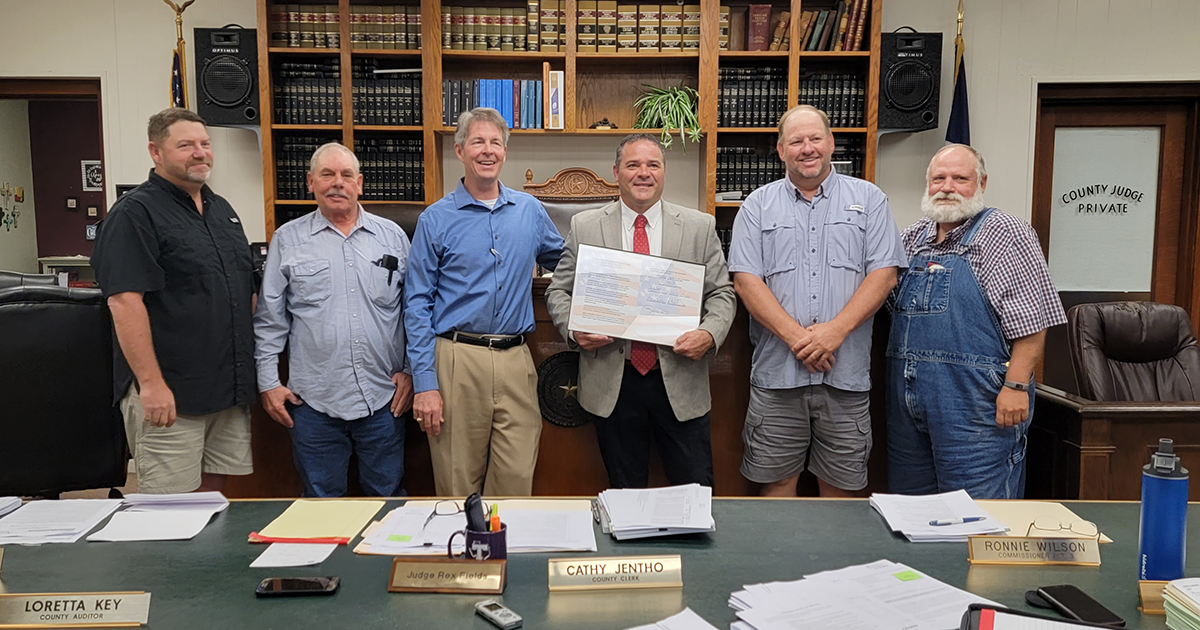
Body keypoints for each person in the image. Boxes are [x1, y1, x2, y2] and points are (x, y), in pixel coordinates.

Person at [728, 105, 905, 497]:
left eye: (815, 138)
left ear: (831, 143)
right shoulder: (757, 206)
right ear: (781, 150)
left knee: (840, 493)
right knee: (776, 486)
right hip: (778, 378)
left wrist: (834, 333)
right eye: (796, 141)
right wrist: (800, 340)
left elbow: (885, 275)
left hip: (845, 377)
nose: (806, 148)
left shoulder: (870, 200)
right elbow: (745, 281)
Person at [545, 133, 736, 489]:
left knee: (694, 489)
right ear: (616, 172)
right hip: (614, 380)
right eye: (633, 165)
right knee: (625, 493)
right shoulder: (585, 225)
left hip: (679, 377)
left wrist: (709, 334)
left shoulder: (698, 227)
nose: (643, 173)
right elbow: (558, 291)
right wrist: (574, 329)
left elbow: (723, 294)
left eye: (653, 165)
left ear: (664, 172)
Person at [886, 144, 1066, 499]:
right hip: (906, 403)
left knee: (980, 517)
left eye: (960, 178)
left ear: (981, 183)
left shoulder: (1003, 233)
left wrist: (1015, 387)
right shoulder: (911, 238)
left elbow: (1032, 323)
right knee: (911, 513)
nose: (947, 186)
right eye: (939, 178)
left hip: (974, 405)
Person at [91, 107, 255, 494]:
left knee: (214, 503)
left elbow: (241, 289)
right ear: (156, 152)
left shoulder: (222, 211)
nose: (200, 153)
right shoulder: (135, 214)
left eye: (204, 144)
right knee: (168, 514)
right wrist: (151, 385)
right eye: (185, 145)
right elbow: (124, 302)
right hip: (171, 394)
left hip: (225, 392)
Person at [404, 107, 563, 497]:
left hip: (516, 359)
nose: (487, 150)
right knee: (458, 486)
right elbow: (417, 303)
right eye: (478, 141)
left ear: (505, 152)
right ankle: (464, 558)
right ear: (460, 150)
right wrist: (425, 383)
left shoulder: (529, 211)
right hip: (457, 360)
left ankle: (505, 557)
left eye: (495, 142)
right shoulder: (435, 219)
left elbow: (568, 264)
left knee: (515, 482)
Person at [253, 143, 412, 497]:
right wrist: (267, 382)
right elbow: (269, 319)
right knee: (321, 506)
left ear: (360, 183)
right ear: (311, 182)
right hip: (313, 403)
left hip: (383, 398)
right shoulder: (288, 239)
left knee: (388, 500)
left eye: (345, 175)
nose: (337, 183)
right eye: (327, 175)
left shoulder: (394, 238)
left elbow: (413, 312)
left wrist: (412, 370)